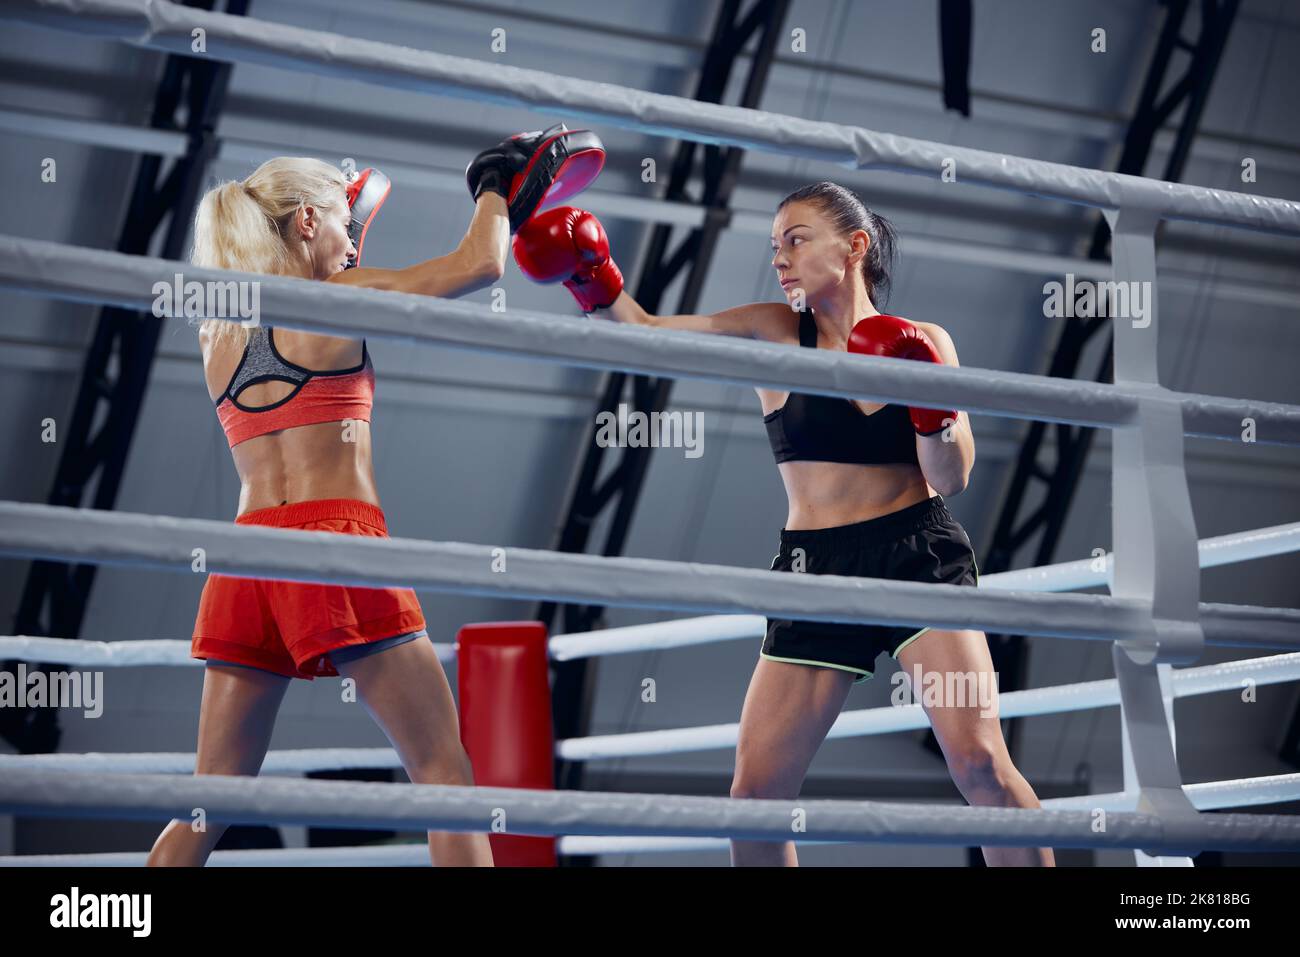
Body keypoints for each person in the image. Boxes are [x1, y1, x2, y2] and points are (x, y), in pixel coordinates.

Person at [511, 181, 1055, 867]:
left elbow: (950, 476)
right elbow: (644, 333)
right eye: (775, 248)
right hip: (816, 572)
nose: (781, 259)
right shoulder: (774, 331)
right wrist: (592, 275)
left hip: (920, 554)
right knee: (756, 797)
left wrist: (931, 403)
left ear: (854, 245)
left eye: (796, 240)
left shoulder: (928, 341)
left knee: (981, 766)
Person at [148, 126, 602, 867]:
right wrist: (497, 183)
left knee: (211, 799)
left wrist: (341, 221)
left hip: (246, 553)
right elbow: (479, 263)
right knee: (443, 773)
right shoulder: (339, 299)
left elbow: (318, 264)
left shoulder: (219, 330)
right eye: (339, 231)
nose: (355, 251)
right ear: (304, 222)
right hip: (337, 543)